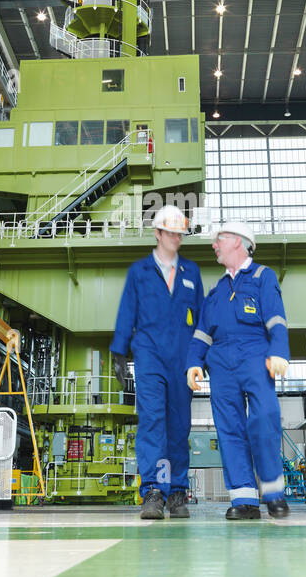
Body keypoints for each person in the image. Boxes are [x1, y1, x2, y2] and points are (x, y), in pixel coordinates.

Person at [186, 221, 291, 520]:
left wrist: (279, 352)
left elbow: (276, 320)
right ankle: (244, 500)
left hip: (255, 354)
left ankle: (273, 493)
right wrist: (194, 361)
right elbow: (202, 333)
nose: (214, 245)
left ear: (238, 242)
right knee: (229, 428)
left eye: (219, 239)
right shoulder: (216, 291)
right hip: (220, 362)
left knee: (265, 418)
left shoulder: (262, 277)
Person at [111, 204, 205, 519]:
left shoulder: (192, 272)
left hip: (181, 356)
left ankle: (177, 491)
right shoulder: (139, 271)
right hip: (149, 354)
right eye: (171, 233)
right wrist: (118, 351)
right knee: (152, 422)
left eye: (180, 234)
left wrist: (202, 358)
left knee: (179, 427)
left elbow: (202, 320)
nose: (176, 238)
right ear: (157, 233)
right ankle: (154, 490)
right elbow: (127, 312)